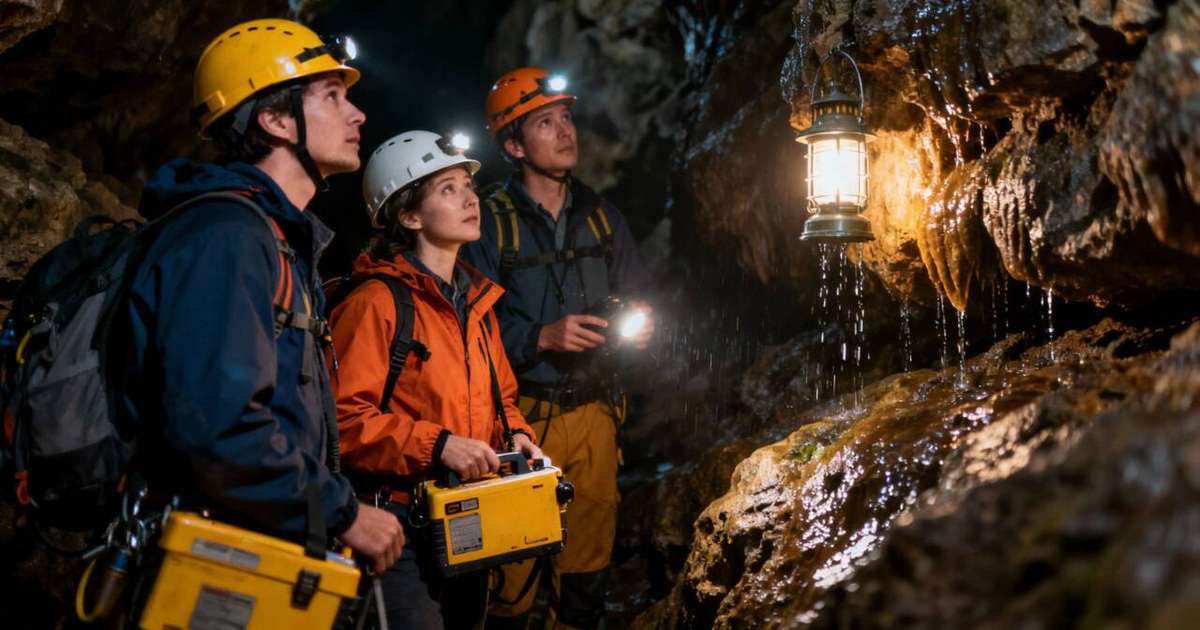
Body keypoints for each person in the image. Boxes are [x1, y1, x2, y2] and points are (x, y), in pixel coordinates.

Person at [114, 19, 404, 576]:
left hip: (258, 545)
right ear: (274, 119)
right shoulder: (227, 237)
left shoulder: (274, 237)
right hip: (207, 557)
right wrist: (342, 513)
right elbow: (217, 425)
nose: (357, 113)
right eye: (332, 96)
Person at [462, 67, 654, 630]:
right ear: (514, 145)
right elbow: (466, 328)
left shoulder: (602, 216)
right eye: (545, 123)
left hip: (596, 413)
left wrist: (630, 332)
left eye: (566, 117)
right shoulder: (488, 225)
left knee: (586, 575)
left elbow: (640, 297)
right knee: (514, 583)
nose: (565, 131)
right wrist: (540, 337)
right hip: (522, 421)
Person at [328, 130, 544, 629]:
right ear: (408, 215)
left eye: (468, 186)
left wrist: (518, 435)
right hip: (396, 526)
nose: (470, 199)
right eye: (447, 189)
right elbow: (341, 422)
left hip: (468, 515)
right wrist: (440, 445)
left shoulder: (476, 303)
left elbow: (502, 398)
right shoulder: (376, 303)